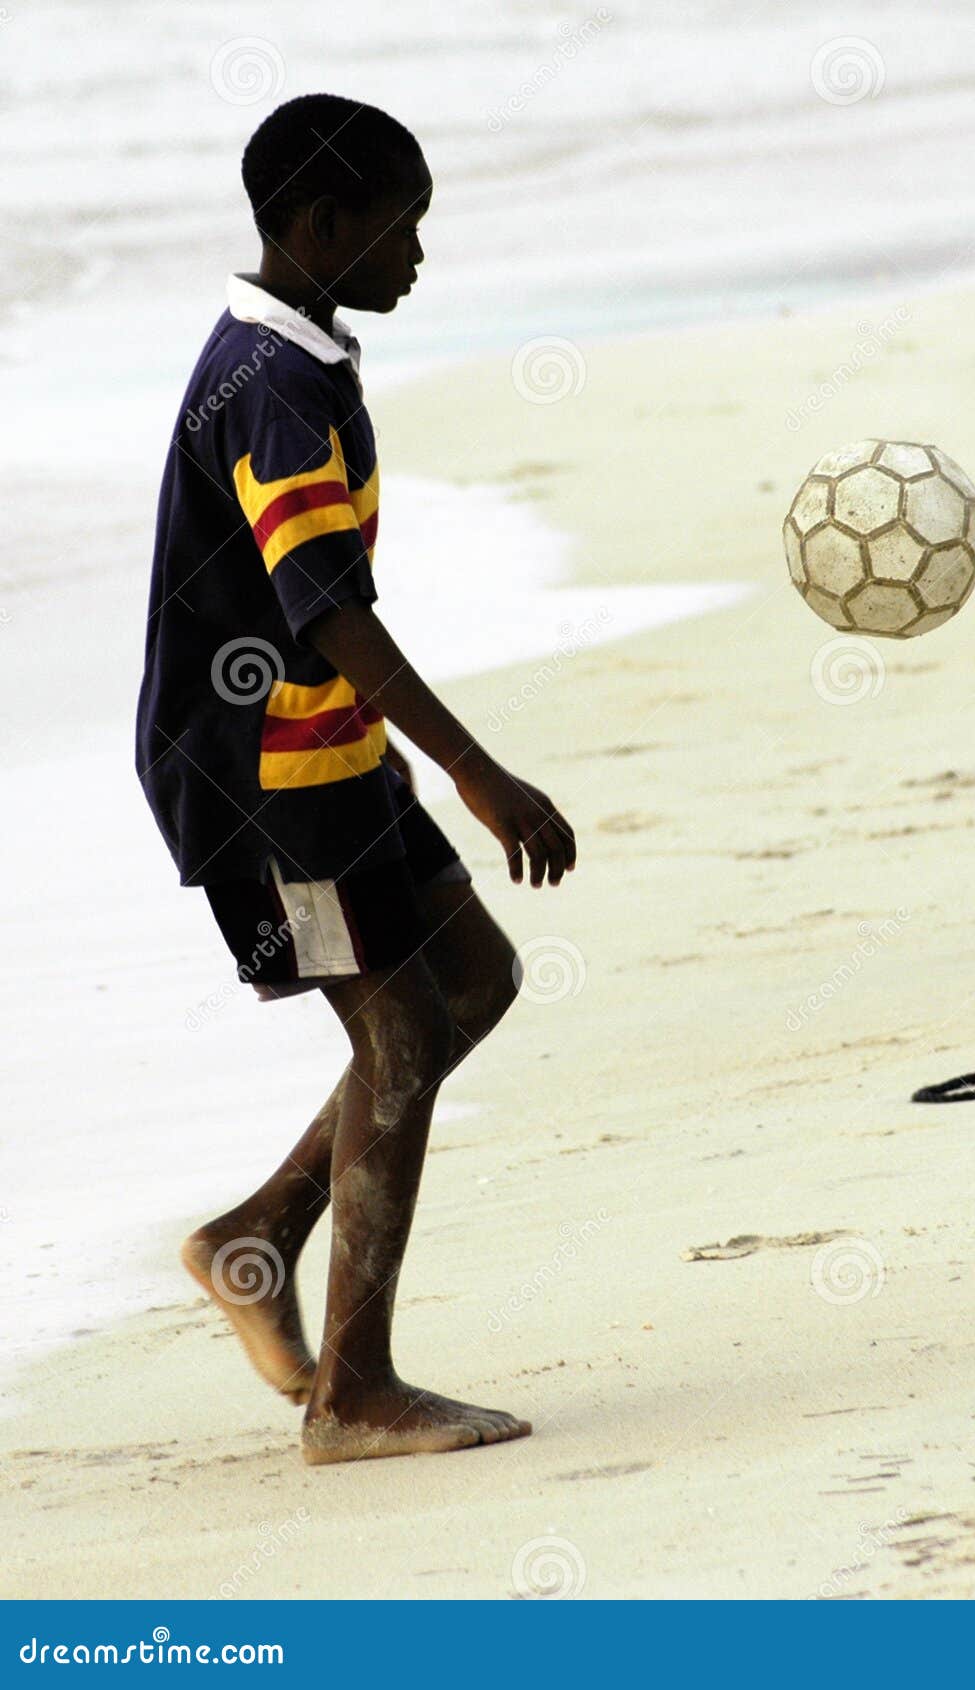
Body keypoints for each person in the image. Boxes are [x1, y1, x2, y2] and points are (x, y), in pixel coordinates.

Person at [135, 95, 576, 1463]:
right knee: (396, 1037)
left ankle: (257, 1235)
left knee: (475, 983)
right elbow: (329, 609)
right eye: (404, 227)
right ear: (323, 227)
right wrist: (479, 772)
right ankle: (352, 1393)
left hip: (327, 748)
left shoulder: (300, 356)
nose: (419, 255)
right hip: (266, 784)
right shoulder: (269, 387)